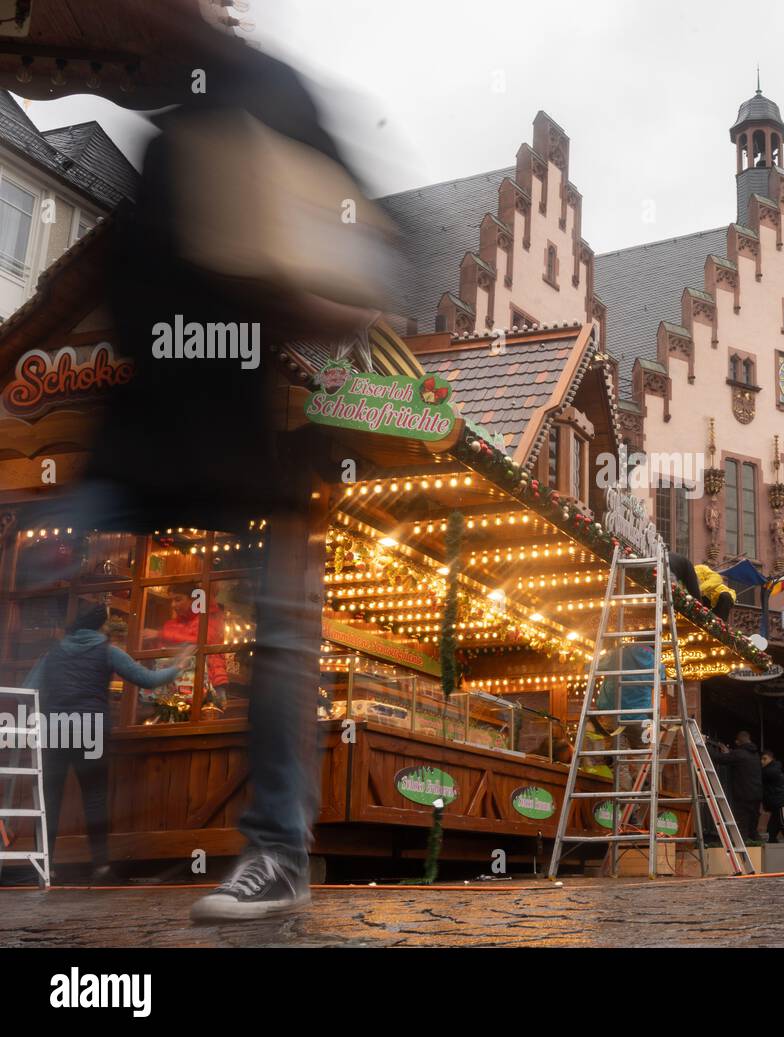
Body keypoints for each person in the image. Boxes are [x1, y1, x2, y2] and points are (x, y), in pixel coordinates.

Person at [64, 4, 392, 921]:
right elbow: (132, 283)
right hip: (143, 436)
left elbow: (357, 248)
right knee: (42, 586)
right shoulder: (162, 124)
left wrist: (301, 290)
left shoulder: (272, 96)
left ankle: (278, 851)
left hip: (247, 438)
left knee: (281, 637)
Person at [24, 604, 193, 883]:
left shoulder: (52, 654)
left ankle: (45, 867)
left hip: (54, 731)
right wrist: (178, 666)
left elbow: (27, 691)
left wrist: (45, 713)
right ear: (102, 628)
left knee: (49, 801)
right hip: (91, 731)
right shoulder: (107, 651)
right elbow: (146, 679)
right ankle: (101, 868)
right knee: (95, 798)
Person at [715, 731, 763, 842]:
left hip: (743, 795)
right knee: (753, 827)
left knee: (742, 827)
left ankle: (743, 854)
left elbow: (719, 759)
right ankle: (758, 849)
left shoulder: (738, 754)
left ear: (737, 742)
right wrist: (730, 753)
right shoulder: (755, 755)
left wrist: (704, 746)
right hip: (756, 794)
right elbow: (738, 759)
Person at [760, 749, 784, 843]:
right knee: (771, 831)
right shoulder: (769, 770)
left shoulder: (772, 769)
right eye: (761, 759)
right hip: (776, 806)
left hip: (782, 803)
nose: (762, 761)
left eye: (765, 759)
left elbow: (766, 774)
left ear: (771, 759)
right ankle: (774, 854)